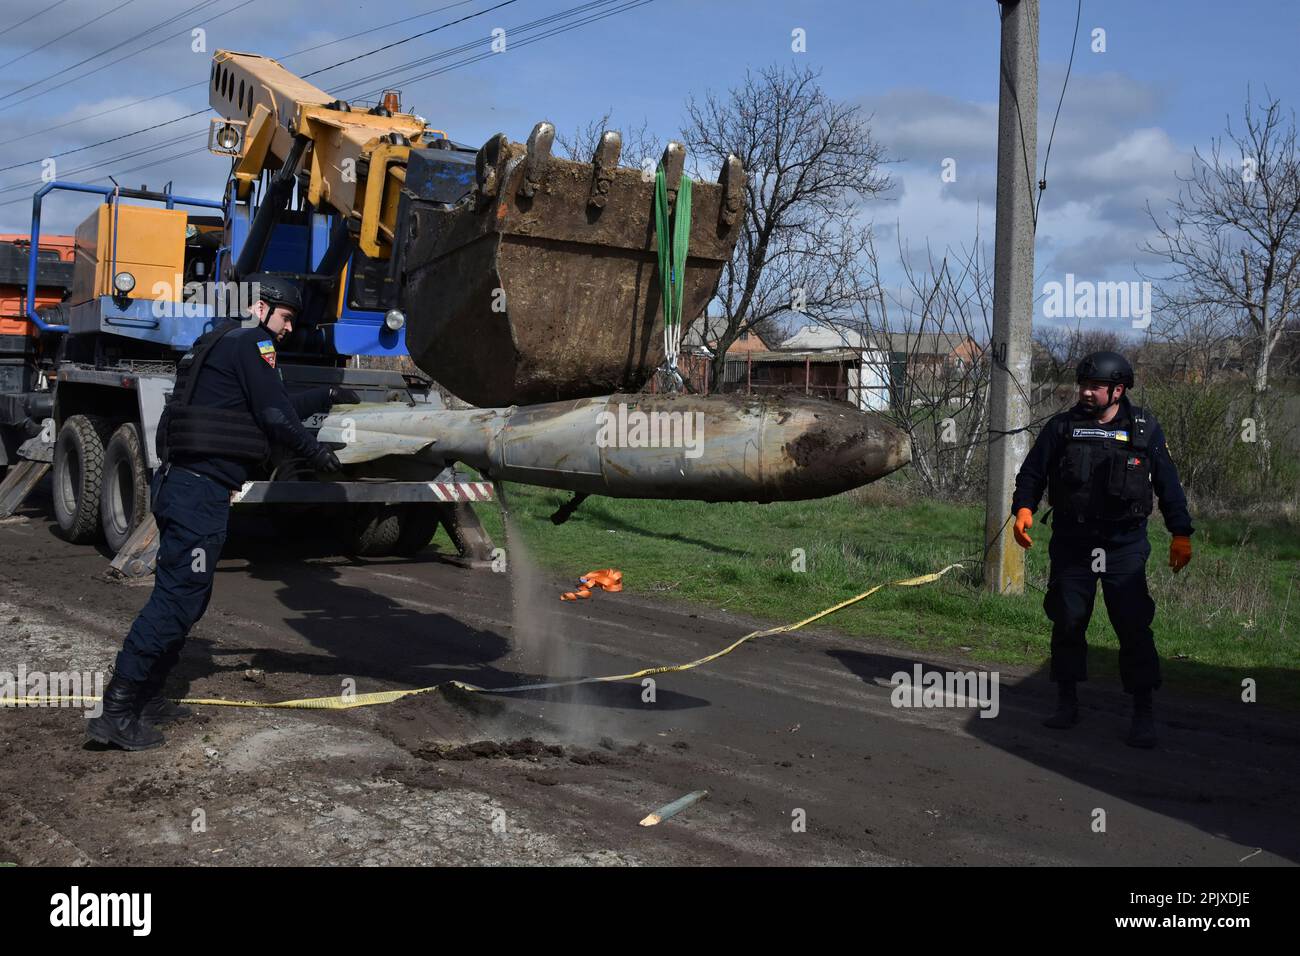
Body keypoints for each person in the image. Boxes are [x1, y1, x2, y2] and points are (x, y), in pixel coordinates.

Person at [87, 274, 359, 750]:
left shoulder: (219, 342)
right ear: (261, 308)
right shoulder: (254, 343)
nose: (290, 328)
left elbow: (264, 407)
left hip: (183, 484)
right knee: (176, 600)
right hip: (199, 492)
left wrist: (326, 396)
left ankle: (145, 699)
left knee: (189, 597)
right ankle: (117, 711)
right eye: (287, 317)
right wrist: (317, 457)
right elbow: (275, 418)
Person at [1010, 350, 1193, 748]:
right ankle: (1066, 701)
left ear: (1118, 389)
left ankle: (1142, 711)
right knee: (1069, 620)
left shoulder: (1144, 429)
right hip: (1073, 543)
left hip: (1123, 545)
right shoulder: (1062, 427)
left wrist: (1181, 532)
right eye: (1083, 385)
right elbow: (1032, 473)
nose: (1086, 392)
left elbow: (1169, 485)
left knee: (1132, 625)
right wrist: (1023, 509)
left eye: (1095, 386)